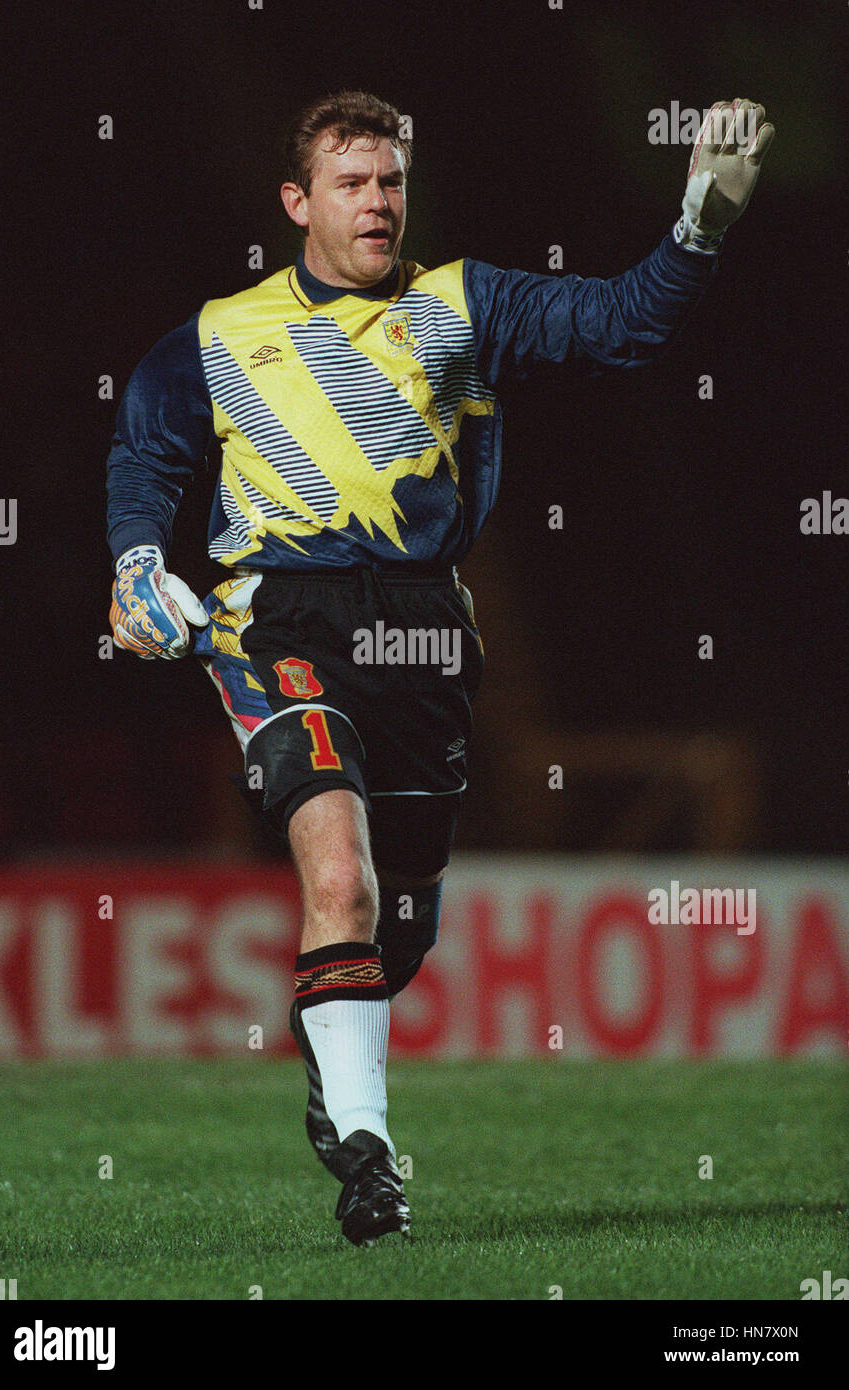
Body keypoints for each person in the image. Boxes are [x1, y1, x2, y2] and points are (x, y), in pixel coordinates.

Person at [106, 89, 774, 1246]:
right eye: (353, 183)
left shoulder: (462, 303)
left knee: (395, 924)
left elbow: (623, 324)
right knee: (340, 877)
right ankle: (370, 1162)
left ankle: (336, 1070)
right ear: (297, 202)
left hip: (422, 633)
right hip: (279, 623)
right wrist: (133, 566)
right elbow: (145, 458)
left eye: (391, 182)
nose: (377, 203)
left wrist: (700, 224)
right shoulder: (217, 337)